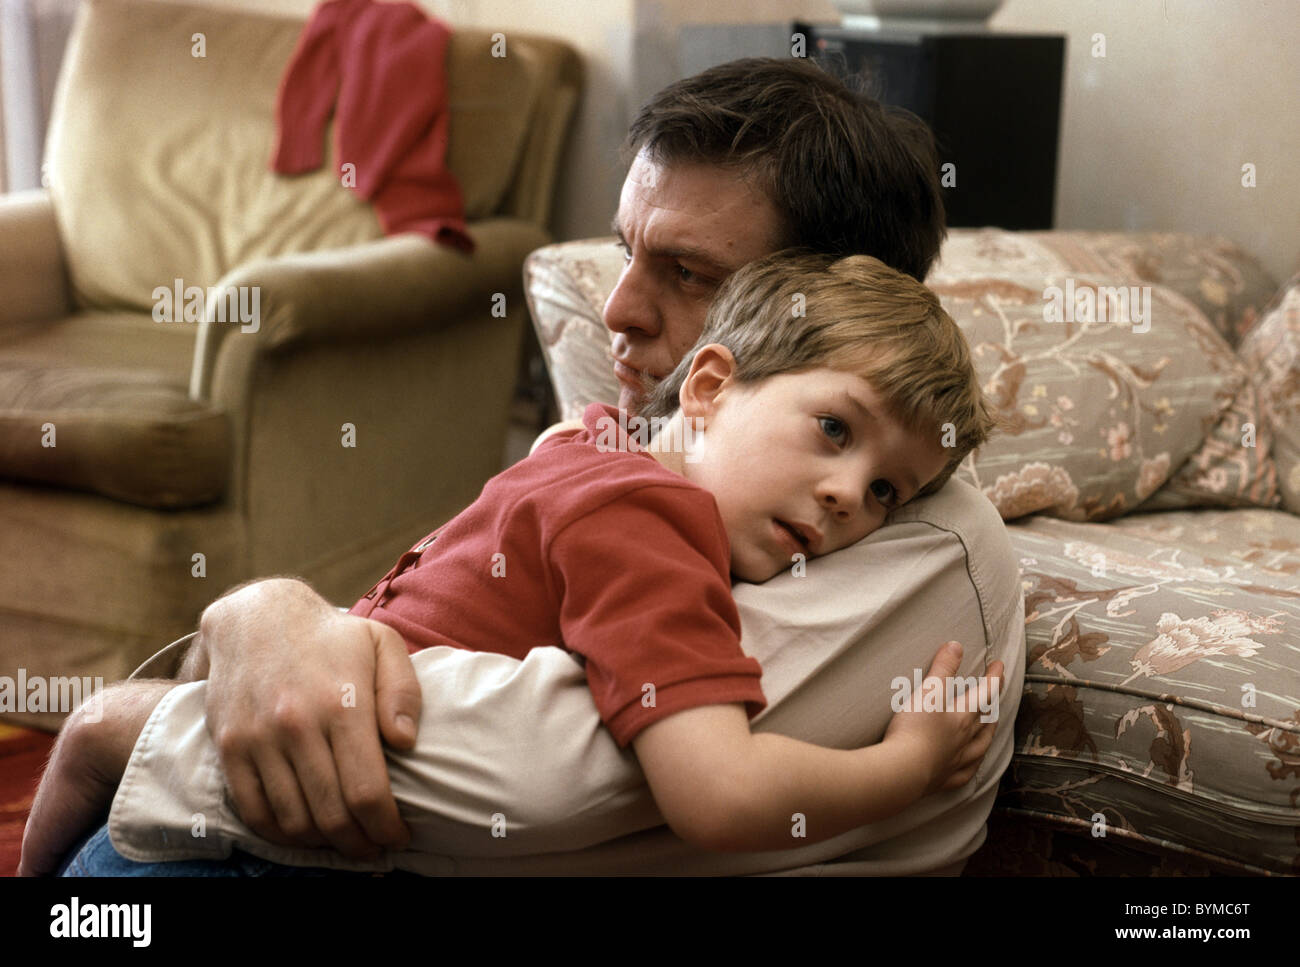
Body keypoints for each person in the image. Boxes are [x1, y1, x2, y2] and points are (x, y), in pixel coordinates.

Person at [23, 56, 1026, 877]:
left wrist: (140, 721)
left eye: (686, 272)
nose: (618, 309)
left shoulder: (918, 548)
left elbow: (539, 780)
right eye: (626, 252)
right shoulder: (619, 461)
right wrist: (260, 617)